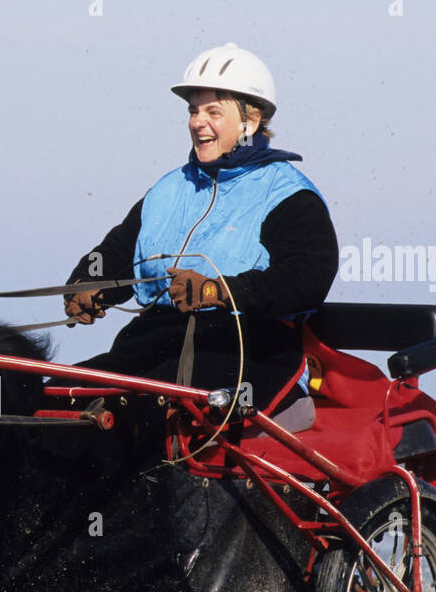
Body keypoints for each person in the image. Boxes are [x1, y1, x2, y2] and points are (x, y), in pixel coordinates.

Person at [63, 43, 338, 421]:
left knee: (132, 416)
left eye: (213, 111)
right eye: (194, 110)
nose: (197, 122)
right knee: (57, 399)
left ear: (250, 122)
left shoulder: (288, 194)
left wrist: (219, 290)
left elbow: (308, 278)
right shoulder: (167, 190)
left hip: (246, 352)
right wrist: (88, 281)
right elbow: (114, 251)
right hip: (154, 343)